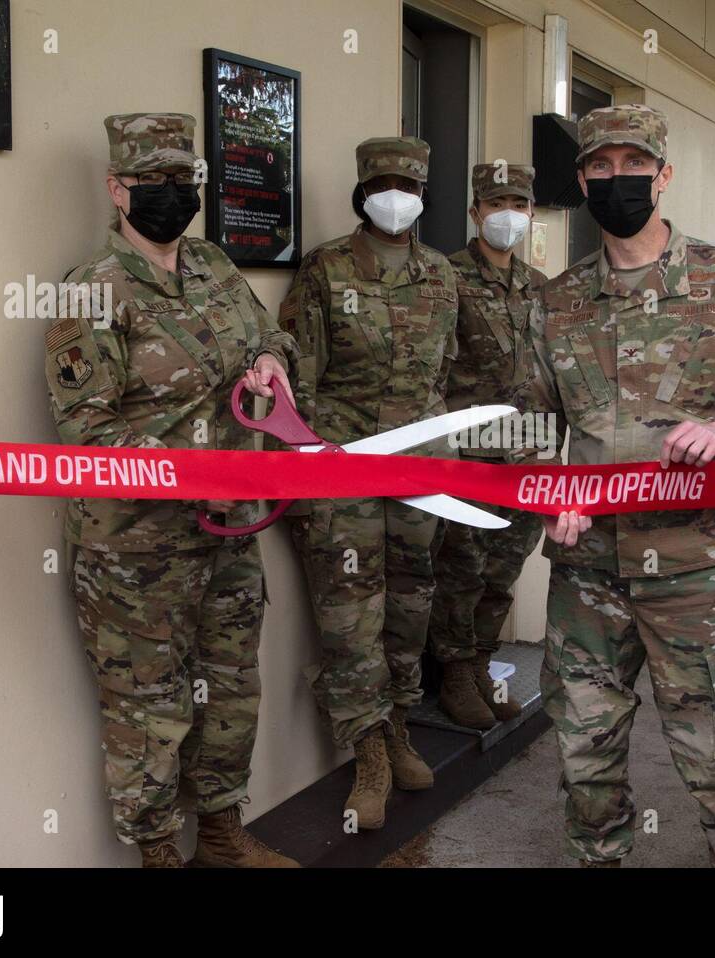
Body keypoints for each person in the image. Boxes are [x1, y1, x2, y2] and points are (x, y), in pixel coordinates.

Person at [515, 105, 715, 867]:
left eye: (633, 165)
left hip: (699, 568)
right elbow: (525, 431)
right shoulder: (554, 303)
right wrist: (545, 491)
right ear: (582, 178)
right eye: (600, 166)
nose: (616, 179)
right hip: (589, 571)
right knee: (584, 755)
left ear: (664, 175)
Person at [46, 113, 300, 867]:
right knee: (147, 713)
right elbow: (88, 436)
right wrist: (198, 480)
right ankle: (160, 855)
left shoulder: (216, 266)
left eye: (182, 181)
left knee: (229, 692)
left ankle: (221, 837)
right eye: (152, 182)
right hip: (135, 550)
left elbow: (268, 336)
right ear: (116, 189)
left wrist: (273, 367)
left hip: (229, 531)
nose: (171, 195)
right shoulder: (91, 293)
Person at [279, 136, 458, 830]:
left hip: (420, 464)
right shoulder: (324, 269)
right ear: (364, 190)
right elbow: (301, 376)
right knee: (350, 614)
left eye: (408, 184)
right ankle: (368, 752)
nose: (395, 194)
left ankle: (401, 723)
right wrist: (323, 455)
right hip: (343, 467)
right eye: (383, 182)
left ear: (422, 196)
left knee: (411, 603)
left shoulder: (441, 275)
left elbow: (450, 371)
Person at [429, 163, 547, 730]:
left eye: (519, 204)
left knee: (504, 568)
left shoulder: (540, 287)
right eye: (496, 202)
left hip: (528, 450)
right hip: (470, 452)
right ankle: (453, 671)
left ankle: (480, 661)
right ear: (475, 211)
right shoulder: (444, 277)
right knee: (462, 567)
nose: (509, 214)